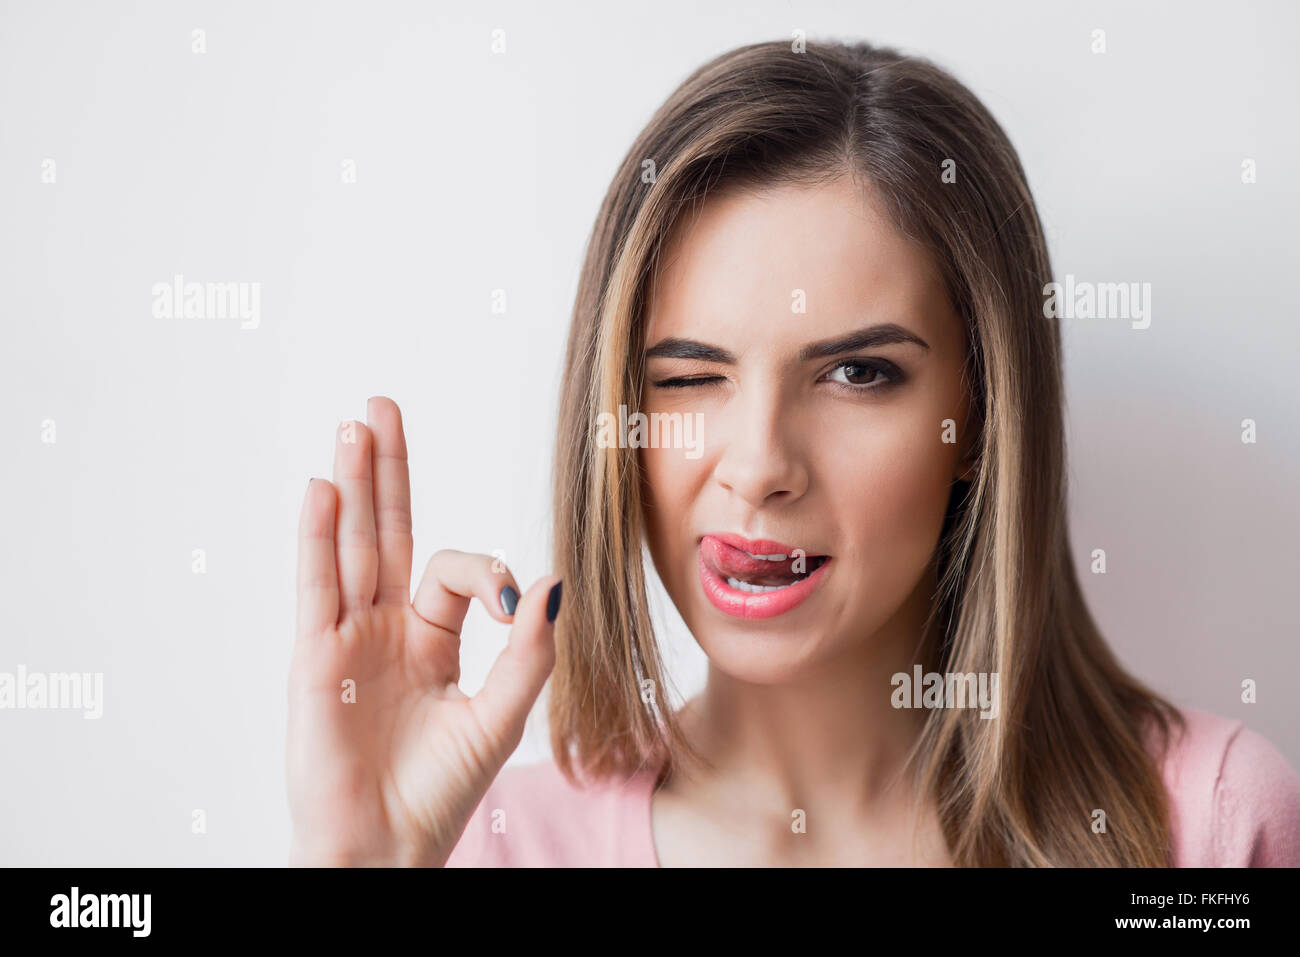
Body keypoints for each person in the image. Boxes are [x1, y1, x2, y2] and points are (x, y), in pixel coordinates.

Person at [285, 38, 1300, 867]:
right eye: (689, 377)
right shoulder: (487, 847)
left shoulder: (1207, 829)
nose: (760, 464)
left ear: (981, 417)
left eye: (856, 372)